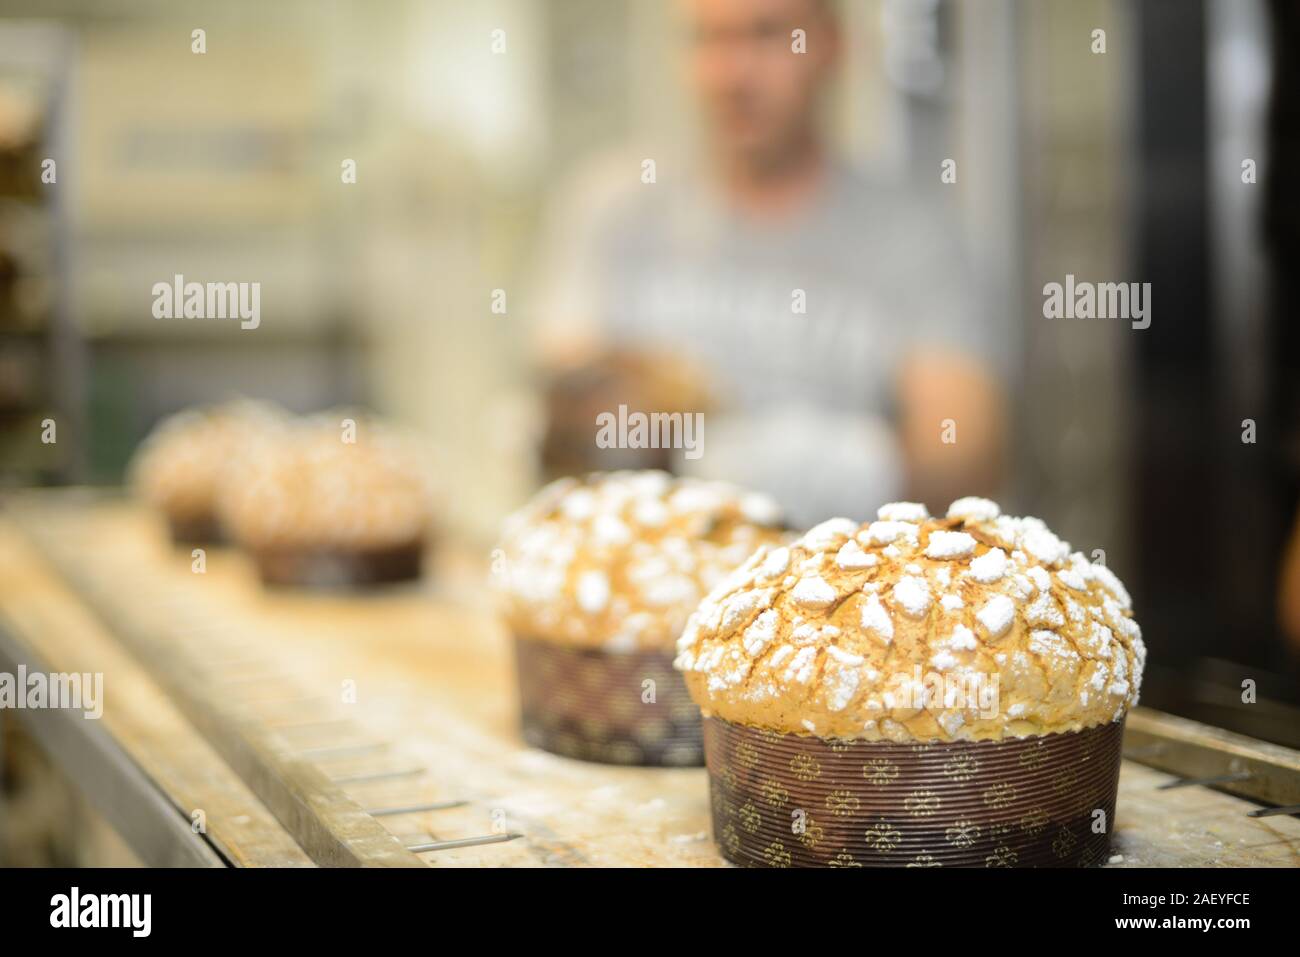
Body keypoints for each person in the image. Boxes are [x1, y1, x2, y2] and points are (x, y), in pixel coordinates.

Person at [532, 0, 1006, 525]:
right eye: (708, 39)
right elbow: (566, 406)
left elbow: (965, 450)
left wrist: (847, 469)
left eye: (766, 35)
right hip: (651, 555)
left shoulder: (913, 235)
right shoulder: (616, 210)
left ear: (829, 46)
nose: (733, 74)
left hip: (834, 567)